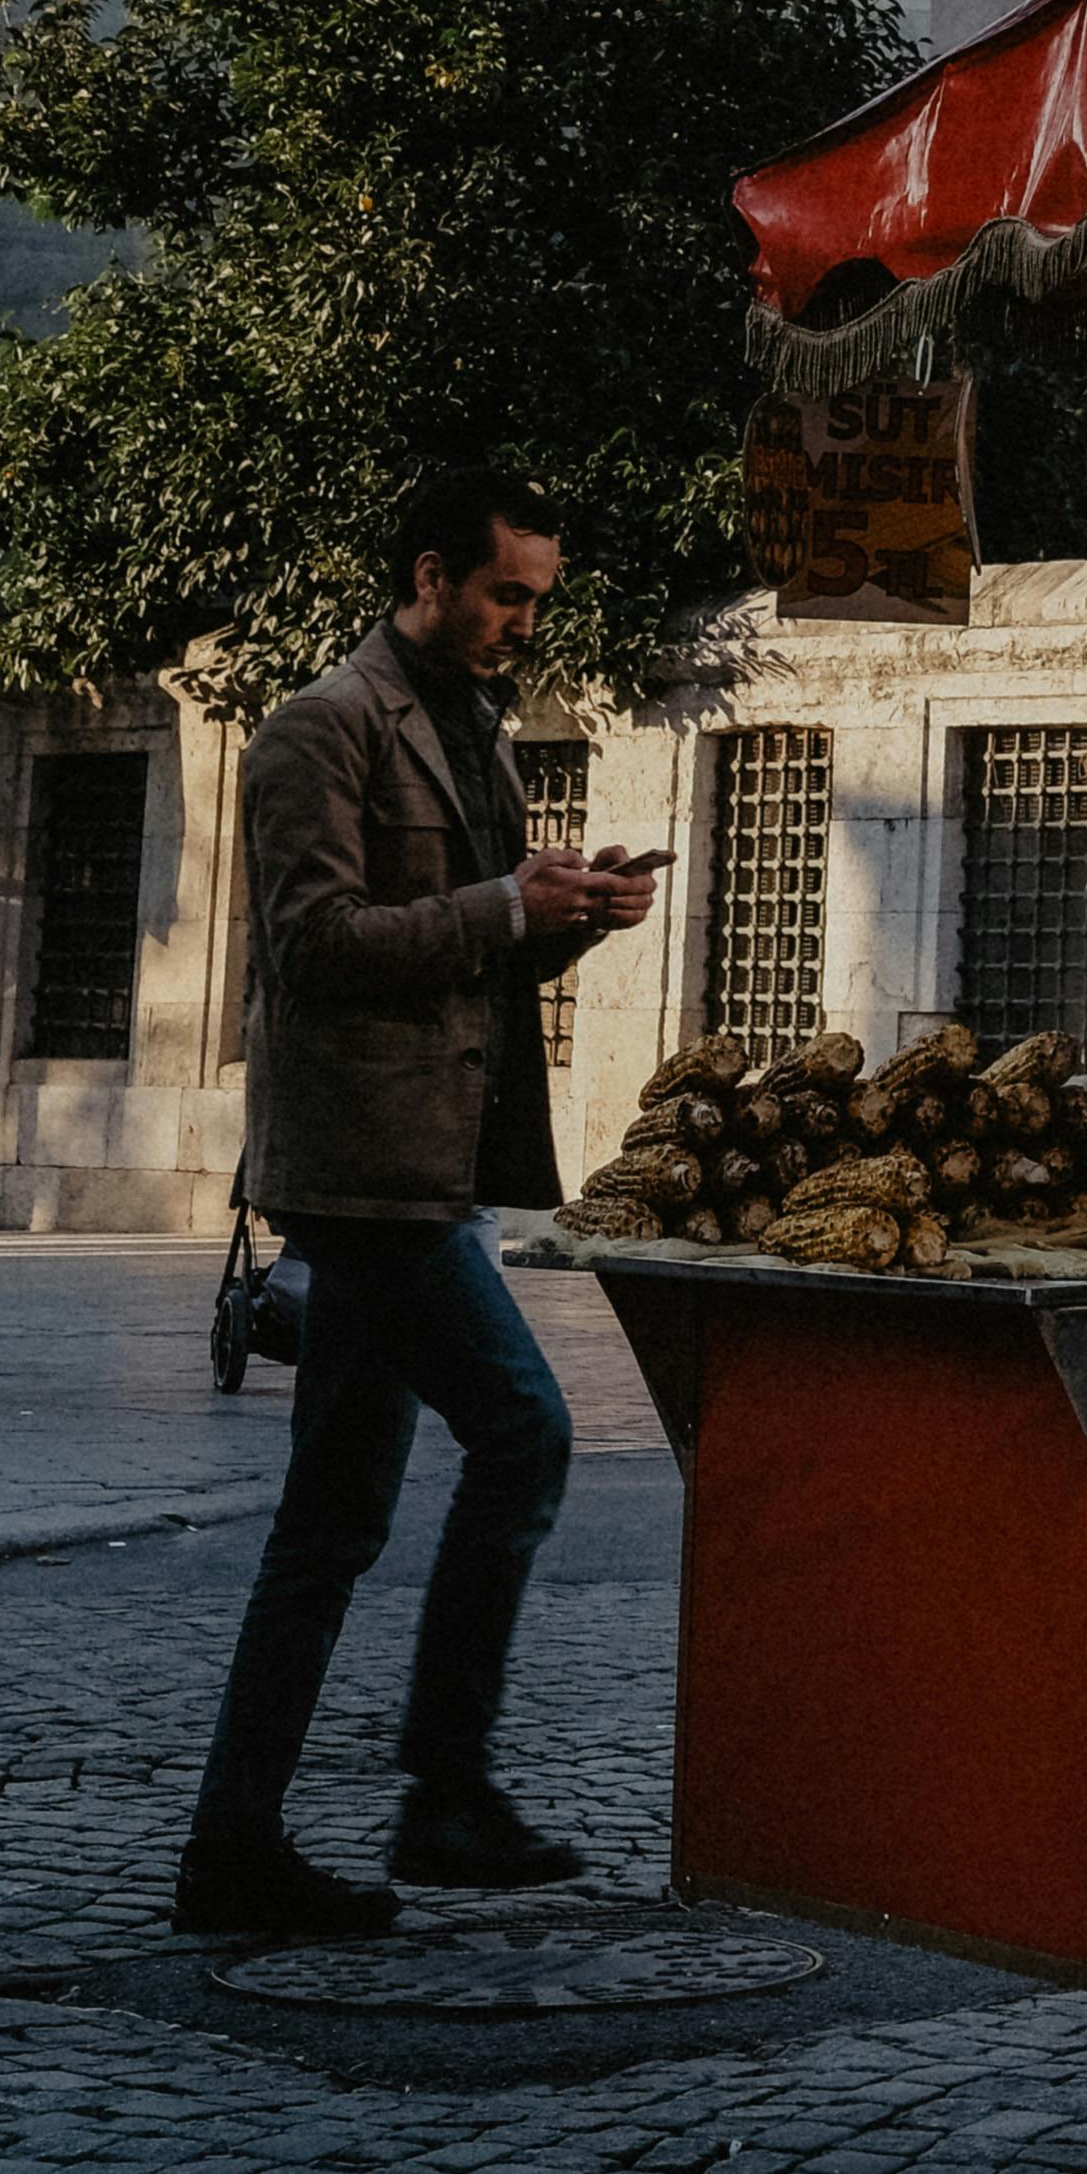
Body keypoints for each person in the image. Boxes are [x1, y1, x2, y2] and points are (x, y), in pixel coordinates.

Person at [175, 464, 656, 1942]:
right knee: (524, 1432)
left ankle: (233, 1848)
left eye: (536, 598)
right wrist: (507, 907)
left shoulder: (477, 729)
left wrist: (567, 917)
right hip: (363, 1176)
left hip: (435, 1167)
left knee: (330, 1521)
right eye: (506, 593)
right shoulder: (320, 730)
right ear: (432, 575)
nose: (523, 621)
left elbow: (473, 956)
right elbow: (313, 945)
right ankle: (443, 1791)